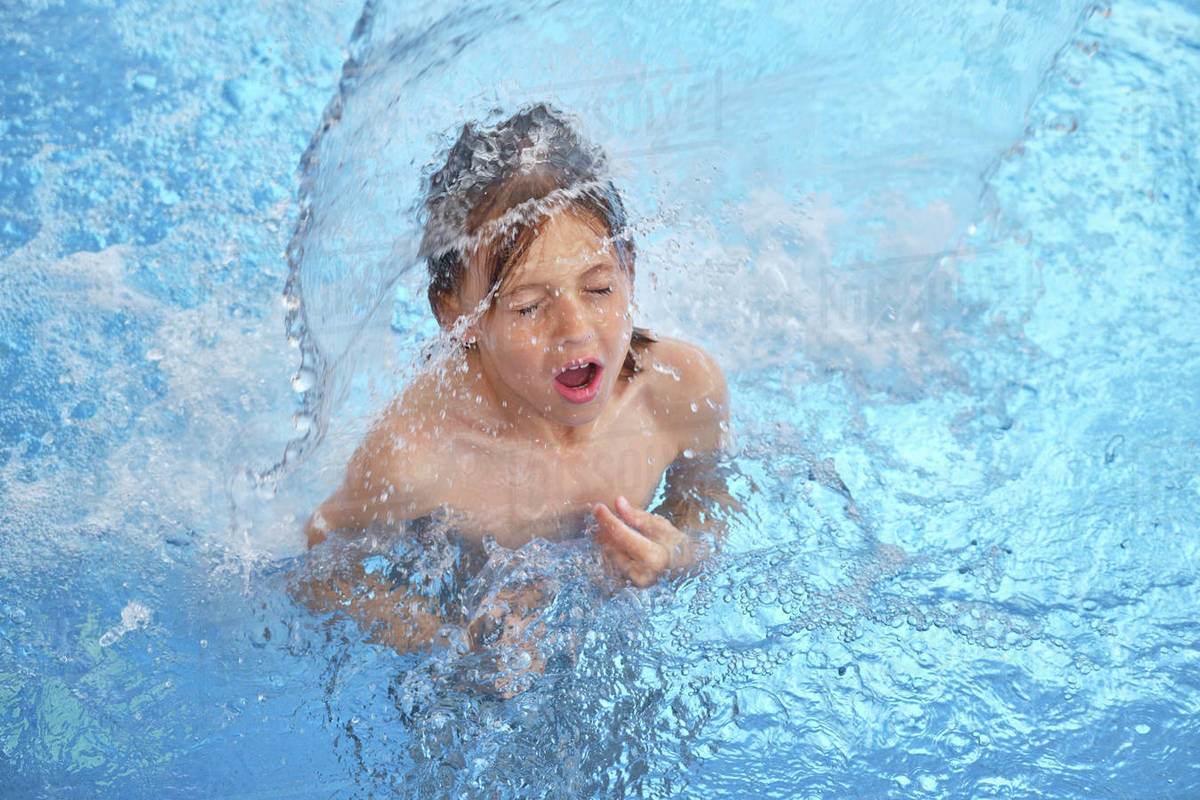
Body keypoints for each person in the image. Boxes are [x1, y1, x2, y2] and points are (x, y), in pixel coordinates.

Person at [301, 104, 734, 657]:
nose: (575, 330)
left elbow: (710, 502)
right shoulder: (419, 454)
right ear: (460, 317)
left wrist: (678, 557)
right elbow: (320, 557)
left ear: (630, 267)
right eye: (530, 307)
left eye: (599, 289)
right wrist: (448, 644)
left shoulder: (680, 392)